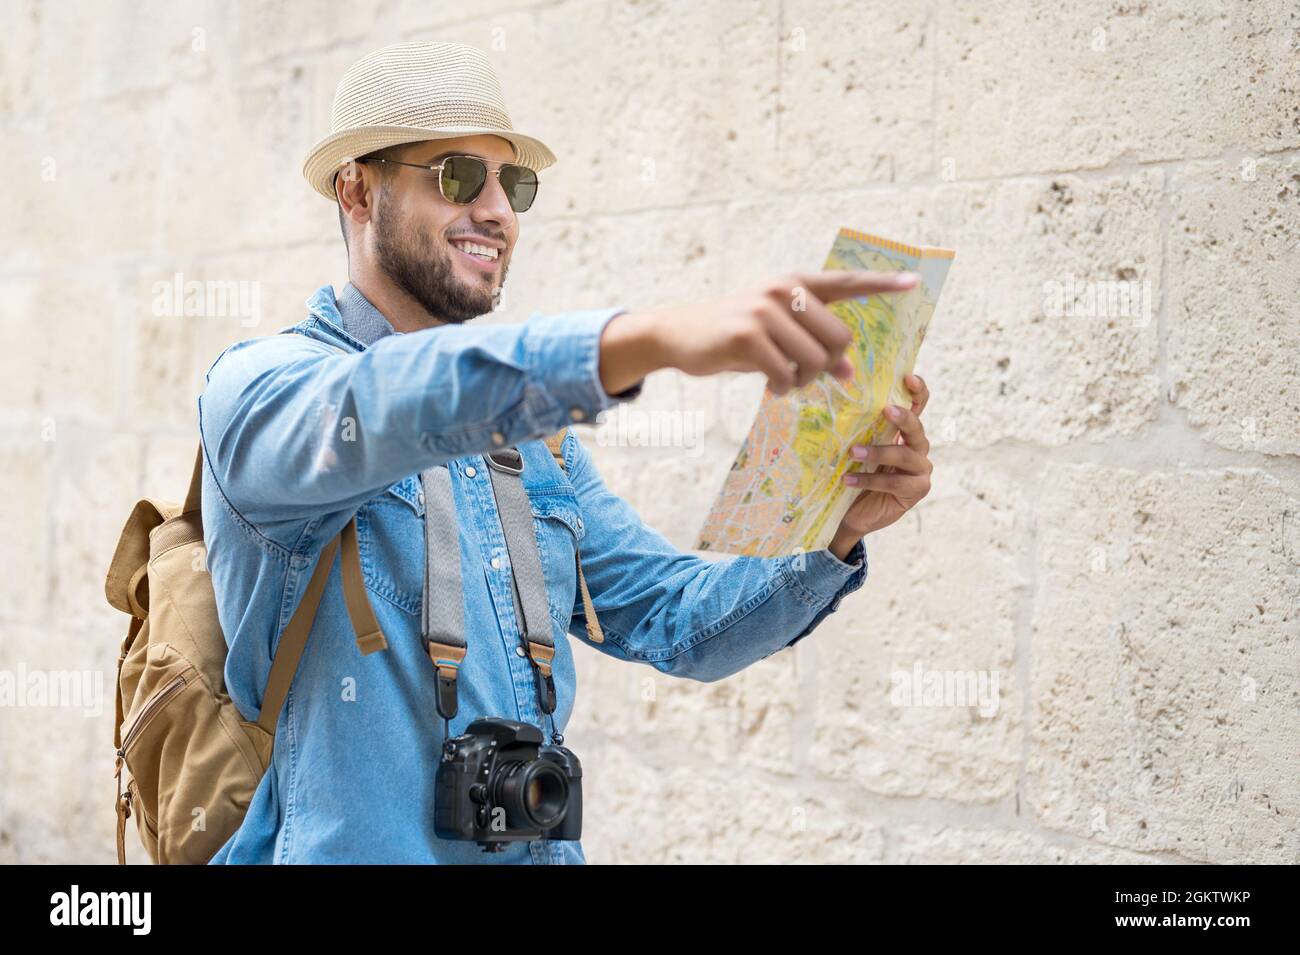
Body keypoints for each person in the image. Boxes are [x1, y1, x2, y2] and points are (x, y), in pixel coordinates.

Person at [201, 41, 934, 864]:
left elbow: (675, 618)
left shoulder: (532, 440)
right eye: (455, 177)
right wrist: (646, 338)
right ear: (358, 187)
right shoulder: (261, 393)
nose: (497, 212)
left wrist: (832, 530)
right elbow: (384, 403)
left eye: (512, 185)